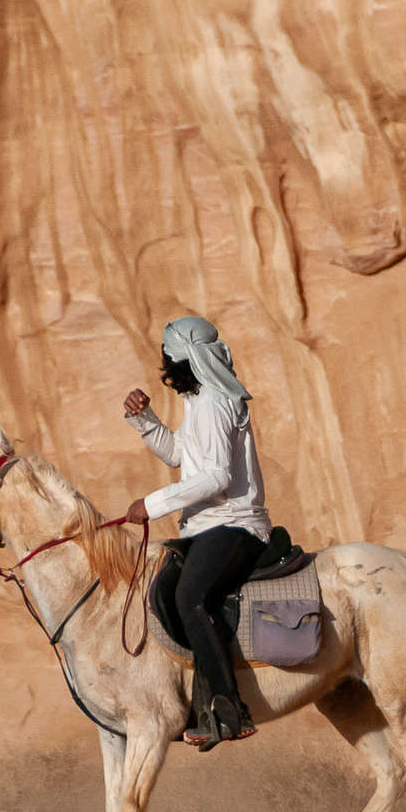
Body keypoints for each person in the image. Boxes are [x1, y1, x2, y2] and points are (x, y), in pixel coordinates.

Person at [123, 316, 270, 750]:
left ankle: (228, 709)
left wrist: (150, 505)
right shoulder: (202, 401)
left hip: (234, 524)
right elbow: (178, 455)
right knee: (165, 592)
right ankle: (192, 705)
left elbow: (217, 477)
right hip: (206, 527)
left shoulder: (214, 403)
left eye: (169, 359)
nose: (166, 367)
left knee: (189, 596)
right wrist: (144, 419)